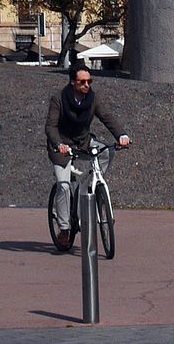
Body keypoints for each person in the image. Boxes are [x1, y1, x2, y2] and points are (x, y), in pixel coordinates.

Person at [45, 66, 129, 249]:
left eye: (89, 81)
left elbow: (107, 117)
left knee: (107, 151)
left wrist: (121, 135)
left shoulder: (92, 99)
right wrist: (59, 144)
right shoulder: (58, 99)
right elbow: (50, 127)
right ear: (73, 82)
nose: (86, 85)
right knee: (64, 185)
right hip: (62, 146)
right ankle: (65, 229)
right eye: (82, 82)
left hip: (83, 142)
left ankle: (89, 185)